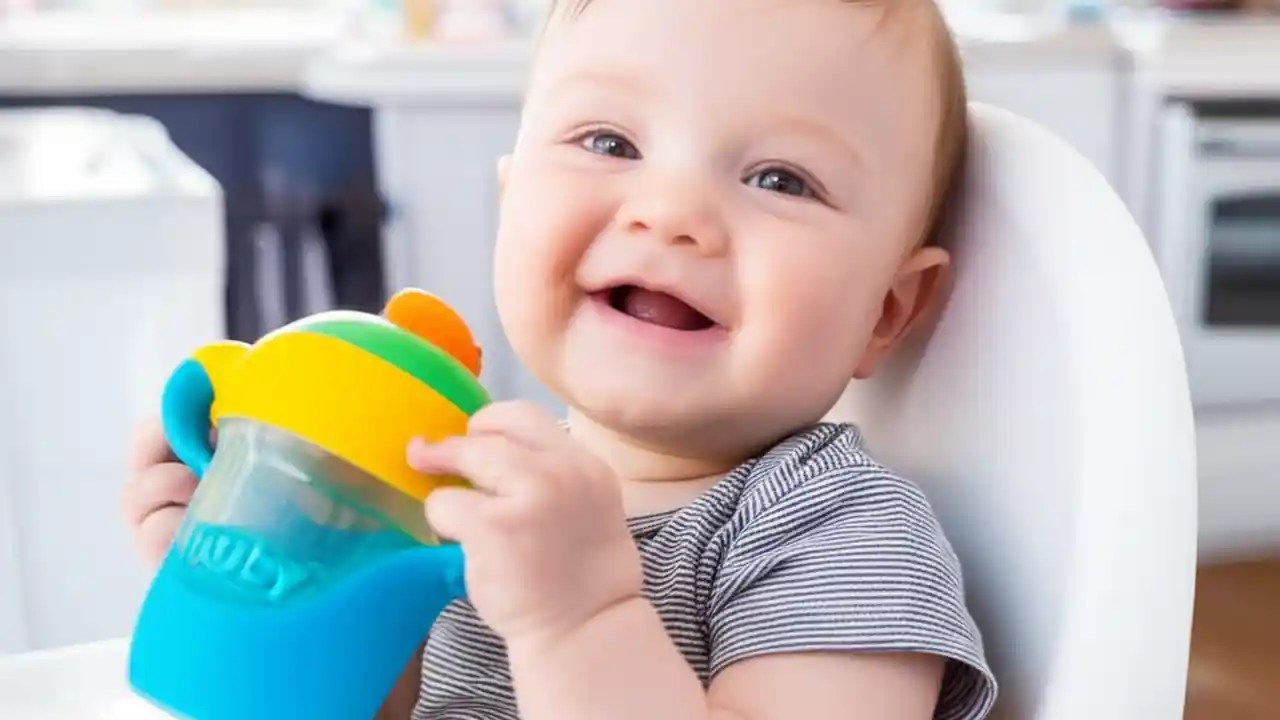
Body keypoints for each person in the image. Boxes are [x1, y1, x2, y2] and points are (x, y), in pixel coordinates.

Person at [123, 0, 998, 717]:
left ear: (887, 311)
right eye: (610, 143)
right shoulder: (472, 489)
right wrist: (274, 574)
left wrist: (581, 620)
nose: (669, 211)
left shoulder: (838, 537)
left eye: (780, 179)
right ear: (510, 204)